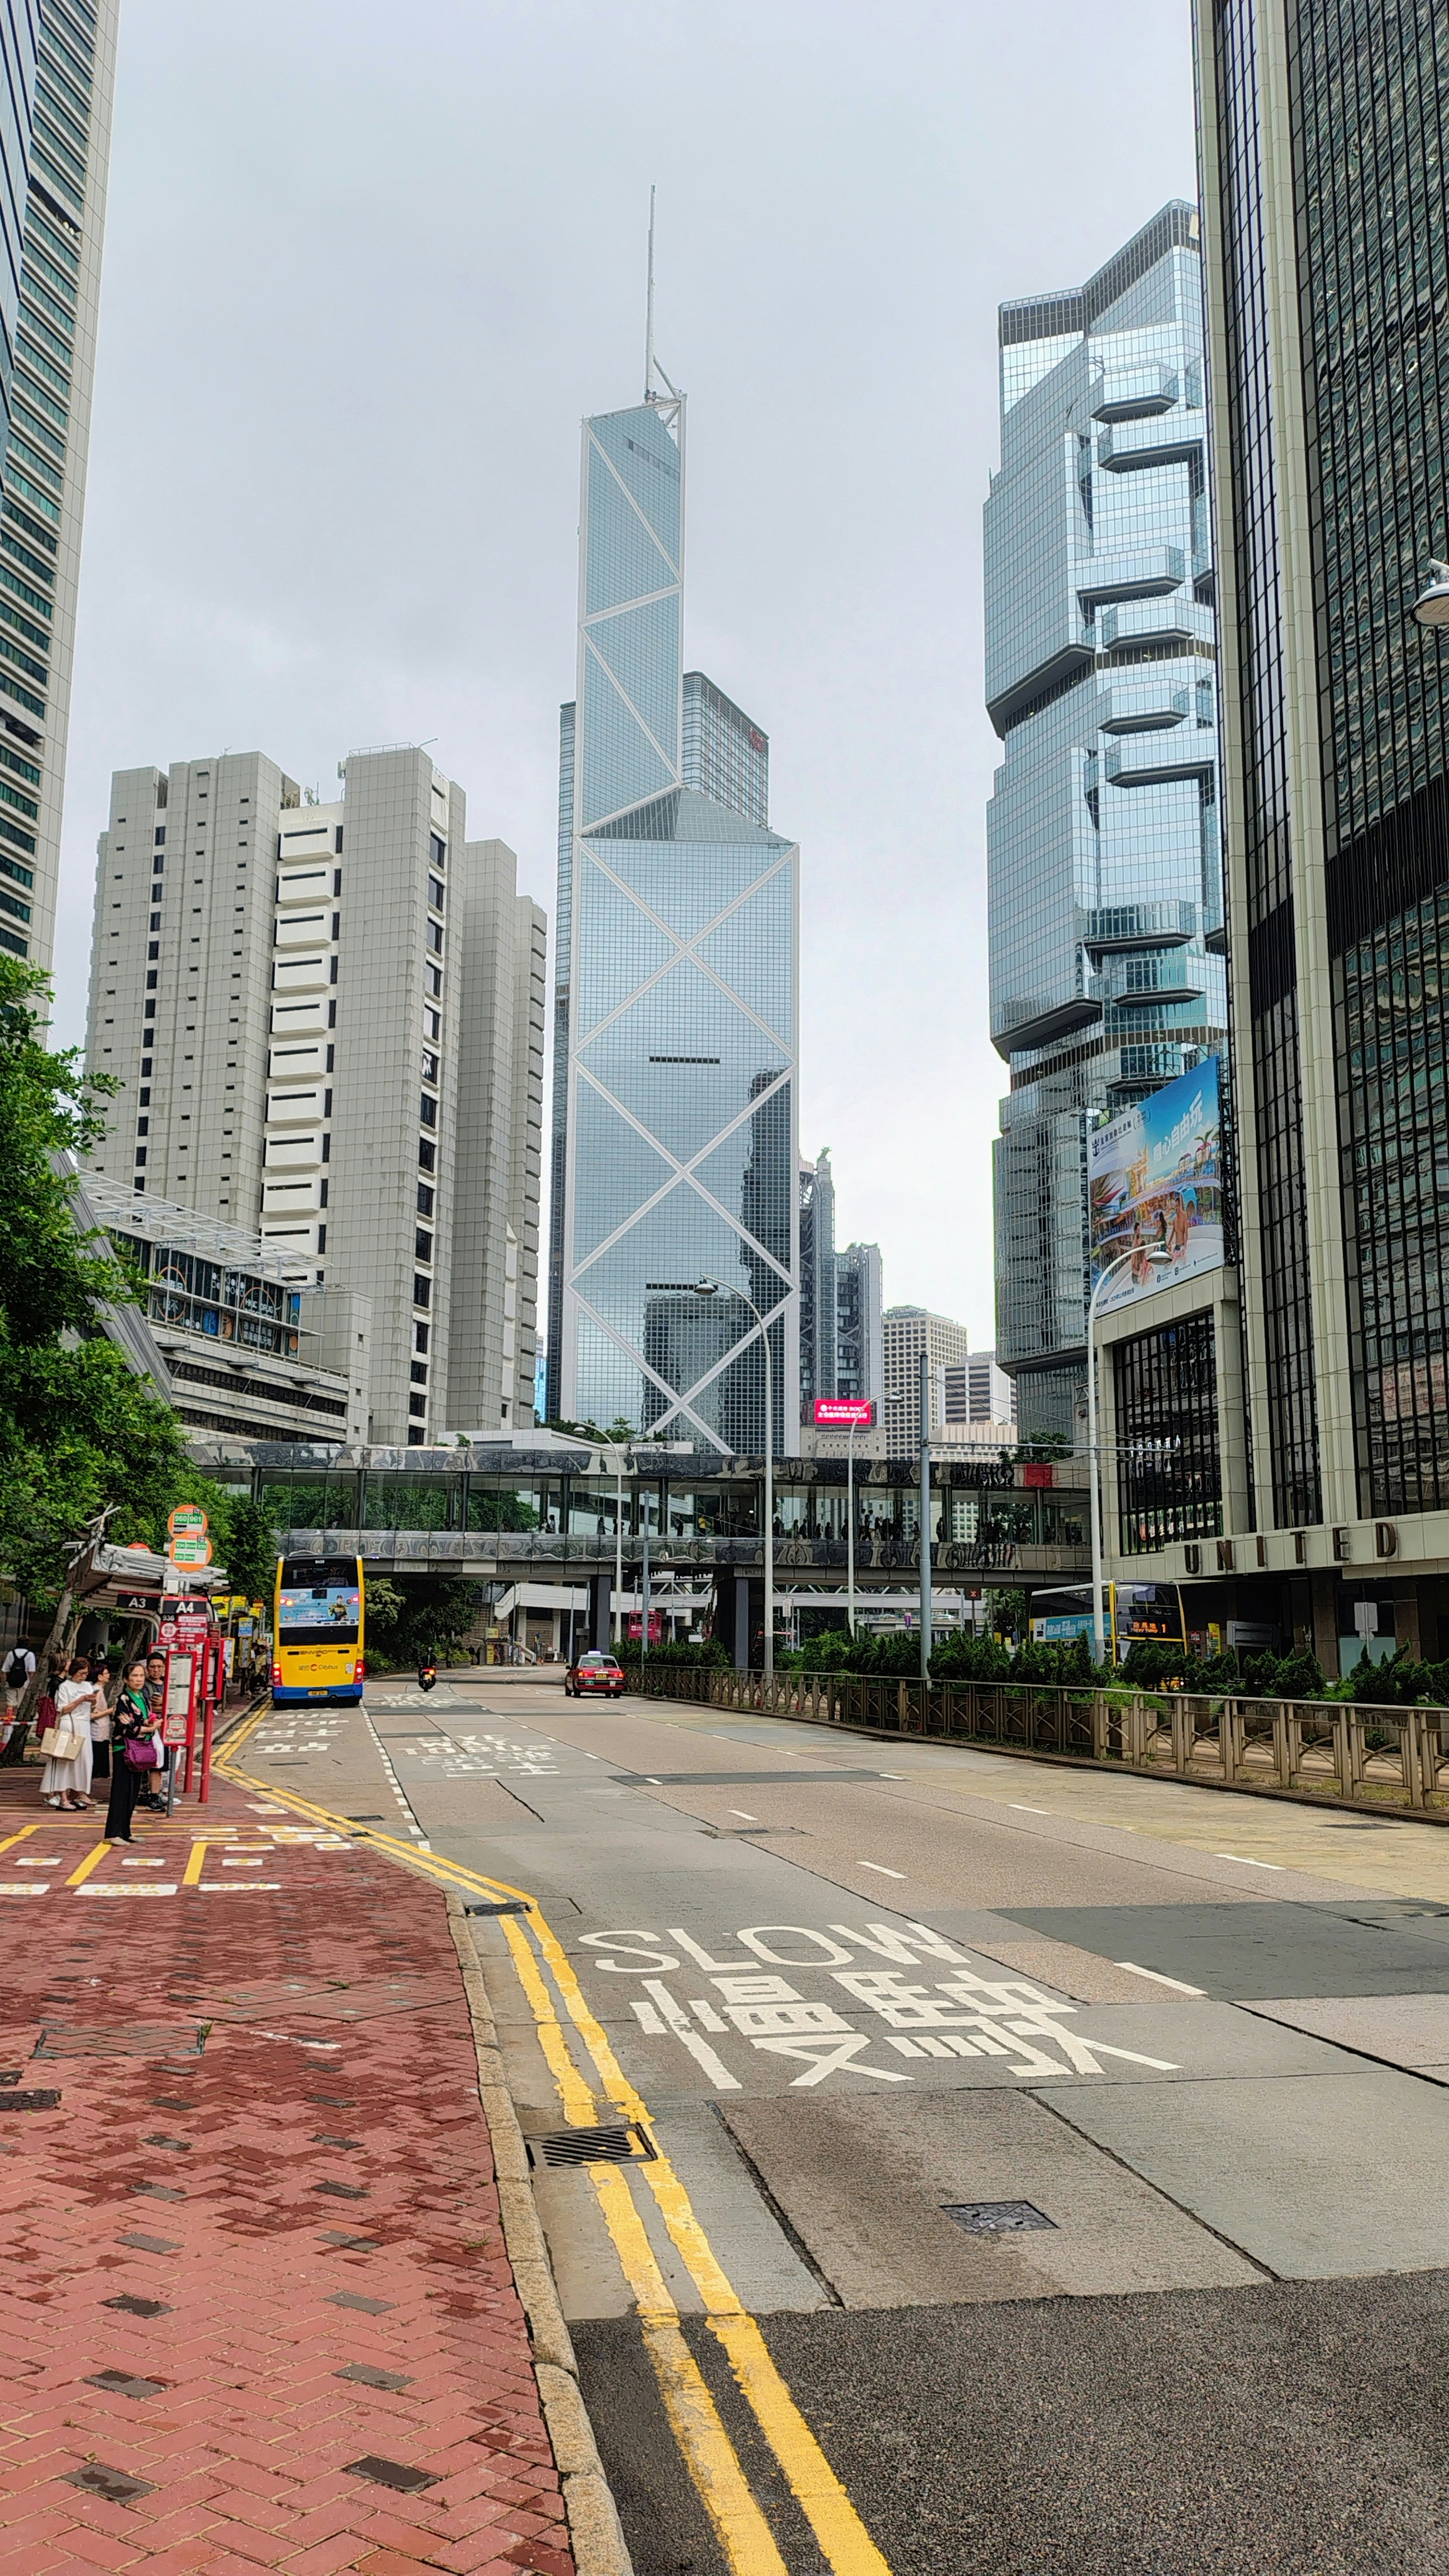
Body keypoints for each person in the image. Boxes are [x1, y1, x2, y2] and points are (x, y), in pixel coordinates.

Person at [106, 1660, 158, 1843]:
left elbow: (141, 1721)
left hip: (140, 1749)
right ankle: (114, 1833)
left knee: (133, 1792)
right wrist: (147, 1730)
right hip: (125, 1749)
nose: (139, 1679)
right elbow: (124, 1727)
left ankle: (125, 1831)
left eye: (141, 1676)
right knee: (121, 1790)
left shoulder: (142, 1697)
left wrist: (150, 1724)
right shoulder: (123, 1699)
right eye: (135, 1676)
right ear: (126, 1679)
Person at [40, 1655, 98, 1811]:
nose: (83, 1676)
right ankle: (63, 1797)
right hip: (70, 1724)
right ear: (74, 1672)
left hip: (84, 1724)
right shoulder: (65, 1686)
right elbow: (63, 1709)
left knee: (85, 1761)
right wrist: (81, 1700)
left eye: (86, 1673)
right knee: (65, 1761)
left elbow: (93, 1707)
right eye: (81, 1673)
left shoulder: (88, 1685)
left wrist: (92, 1701)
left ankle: (80, 1793)